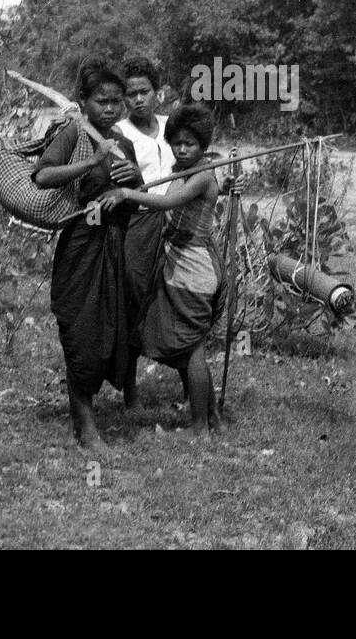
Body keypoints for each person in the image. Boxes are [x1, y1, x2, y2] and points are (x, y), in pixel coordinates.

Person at [31, 59, 143, 453]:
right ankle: (86, 427)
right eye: (101, 101)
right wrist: (94, 163)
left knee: (111, 330)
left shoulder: (124, 144)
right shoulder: (74, 133)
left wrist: (132, 184)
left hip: (114, 248)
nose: (111, 109)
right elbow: (43, 175)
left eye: (117, 101)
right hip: (81, 247)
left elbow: (134, 202)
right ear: (83, 101)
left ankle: (97, 410)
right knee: (80, 331)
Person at [99, 103, 224, 436]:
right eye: (177, 143)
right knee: (188, 345)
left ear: (204, 146)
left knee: (192, 348)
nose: (182, 149)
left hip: (192, 269)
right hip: (177, 262)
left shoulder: (201, 176)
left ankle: (200, 428)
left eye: (190, 144)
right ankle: (211, 419)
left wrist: (127, 192)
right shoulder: (188, 170)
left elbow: (170, 203)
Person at [115, 56, 176, 400]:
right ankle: (130, 389)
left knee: (178, 298)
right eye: (131, 93)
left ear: (158, 92)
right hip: (138, 224)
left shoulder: (173, 126)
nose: (138, 99)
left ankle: (188, 382)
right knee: (135, 300)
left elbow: (194, 165)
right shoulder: (118, 133)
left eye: (145, 91)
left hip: (177, 224)